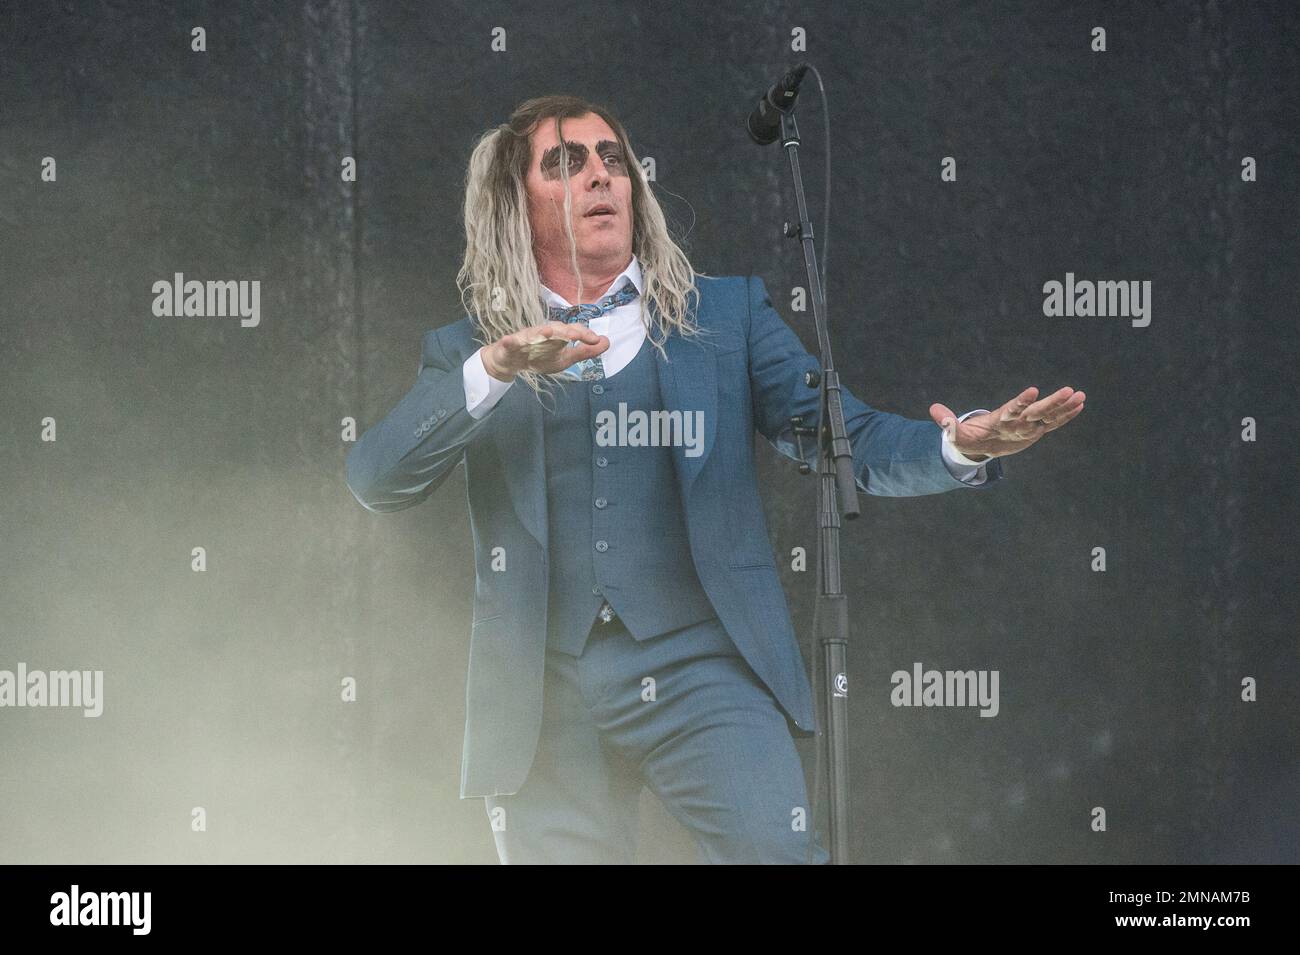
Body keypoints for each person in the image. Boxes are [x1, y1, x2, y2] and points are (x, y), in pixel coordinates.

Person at [345, 95, 1085, 864]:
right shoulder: (468, 349)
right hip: (542, 693)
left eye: (611, 158)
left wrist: (960, 446)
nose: (601, 174)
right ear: (513, 203)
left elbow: (847, 441)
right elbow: (377, 479)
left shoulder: (723, 317)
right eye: (566, 162)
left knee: (776, 853)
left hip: (702, 669)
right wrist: (494, 368)